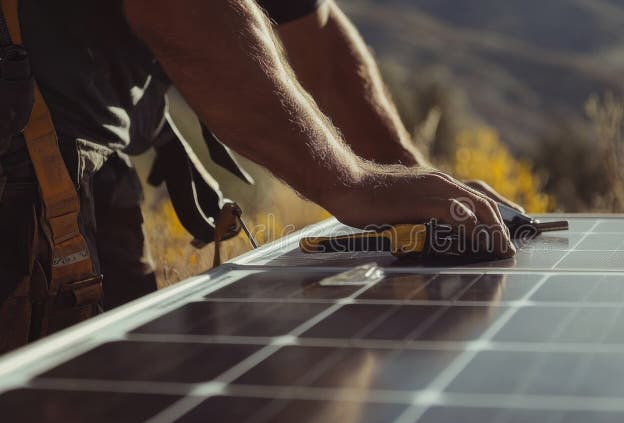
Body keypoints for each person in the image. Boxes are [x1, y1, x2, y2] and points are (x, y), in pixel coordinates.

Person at [0, 0, 518, 352]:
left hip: (87, 157)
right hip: (23, 156)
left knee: (114, 389)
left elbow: (312, 32)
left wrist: (411, 182)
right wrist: (352, 184)